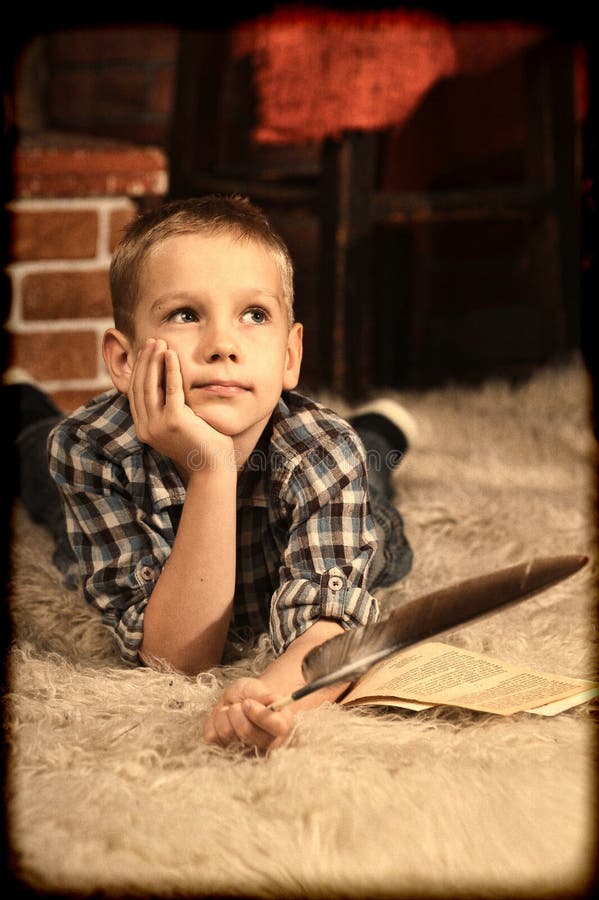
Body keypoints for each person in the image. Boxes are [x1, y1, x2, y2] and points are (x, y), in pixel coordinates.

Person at [7, 194, 415, 751]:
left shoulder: (321, 449)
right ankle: (26, 409)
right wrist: (212, 467)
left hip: (323, 495)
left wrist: (264, 700)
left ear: (290, 355)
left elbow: (329, 628)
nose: (223, 345)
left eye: (254, 315)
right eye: (185, 314)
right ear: (125, 362)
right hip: (122, 475)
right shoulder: (91, 447)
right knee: (45, 483)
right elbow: (178, 659)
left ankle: (378, 433)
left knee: (372, 487)